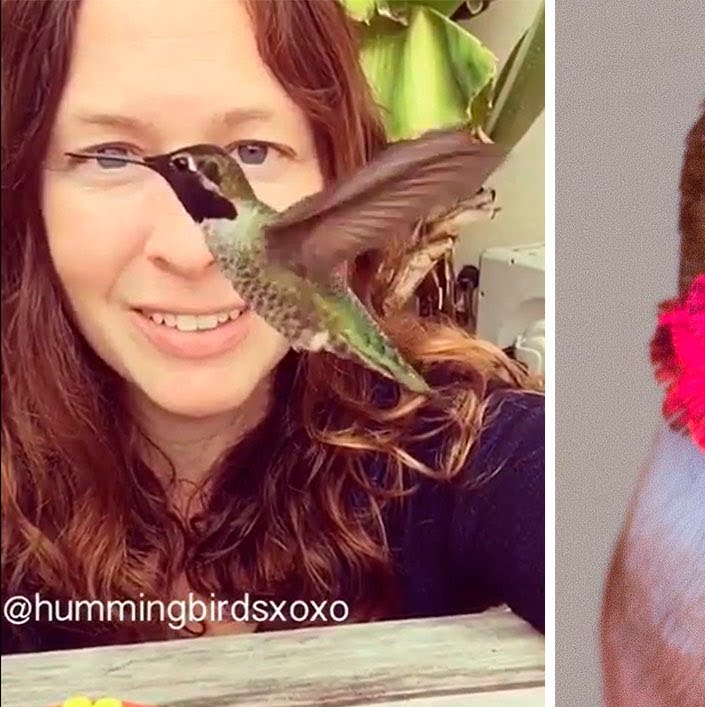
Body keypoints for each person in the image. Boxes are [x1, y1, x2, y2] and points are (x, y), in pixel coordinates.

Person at [0, 0, 544, 654]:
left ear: (331, 171)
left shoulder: (466, 450)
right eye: (111, 156)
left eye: (253, 149)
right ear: (26, 194)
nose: (189, 249)